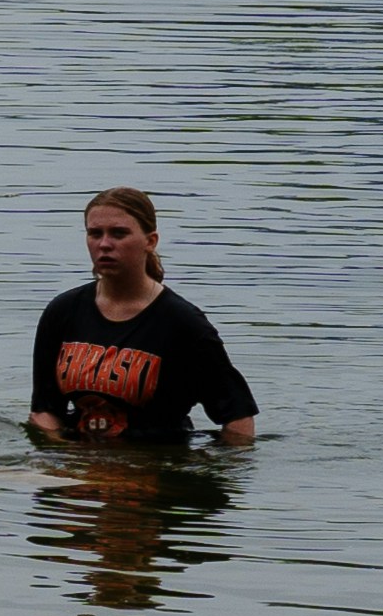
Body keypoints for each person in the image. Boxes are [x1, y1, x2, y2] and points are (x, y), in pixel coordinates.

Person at [27, 187, 259, 450]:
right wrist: (62, 458)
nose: (104, 244)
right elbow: (44, 411)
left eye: (119, 233)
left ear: (150, 241)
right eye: (95, 233)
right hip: (82, 464)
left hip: (152, 463)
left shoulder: (182, 323)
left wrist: (218, 476)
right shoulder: (63, 311)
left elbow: (239, 419)